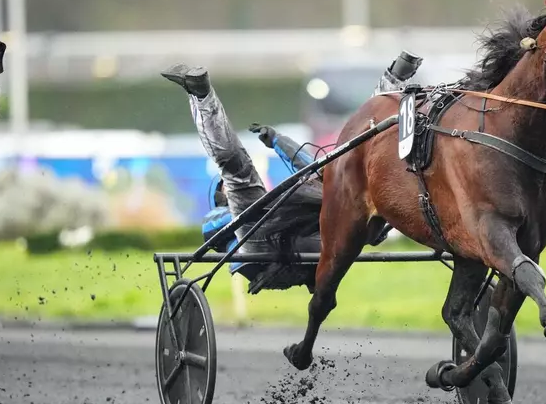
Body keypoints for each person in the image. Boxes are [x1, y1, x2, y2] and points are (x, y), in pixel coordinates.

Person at [160, 50, 423, 293]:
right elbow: (222, 223)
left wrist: (278, 141)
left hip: (313, 240)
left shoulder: (284, 202)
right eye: (223, 189)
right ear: (219, 198)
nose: (228, 188)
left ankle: (392, 81)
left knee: (339, 165)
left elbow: (316, 168)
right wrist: (273, 205)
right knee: (238, 167)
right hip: (261, 249)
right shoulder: (217, 217)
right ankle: (201, 94)